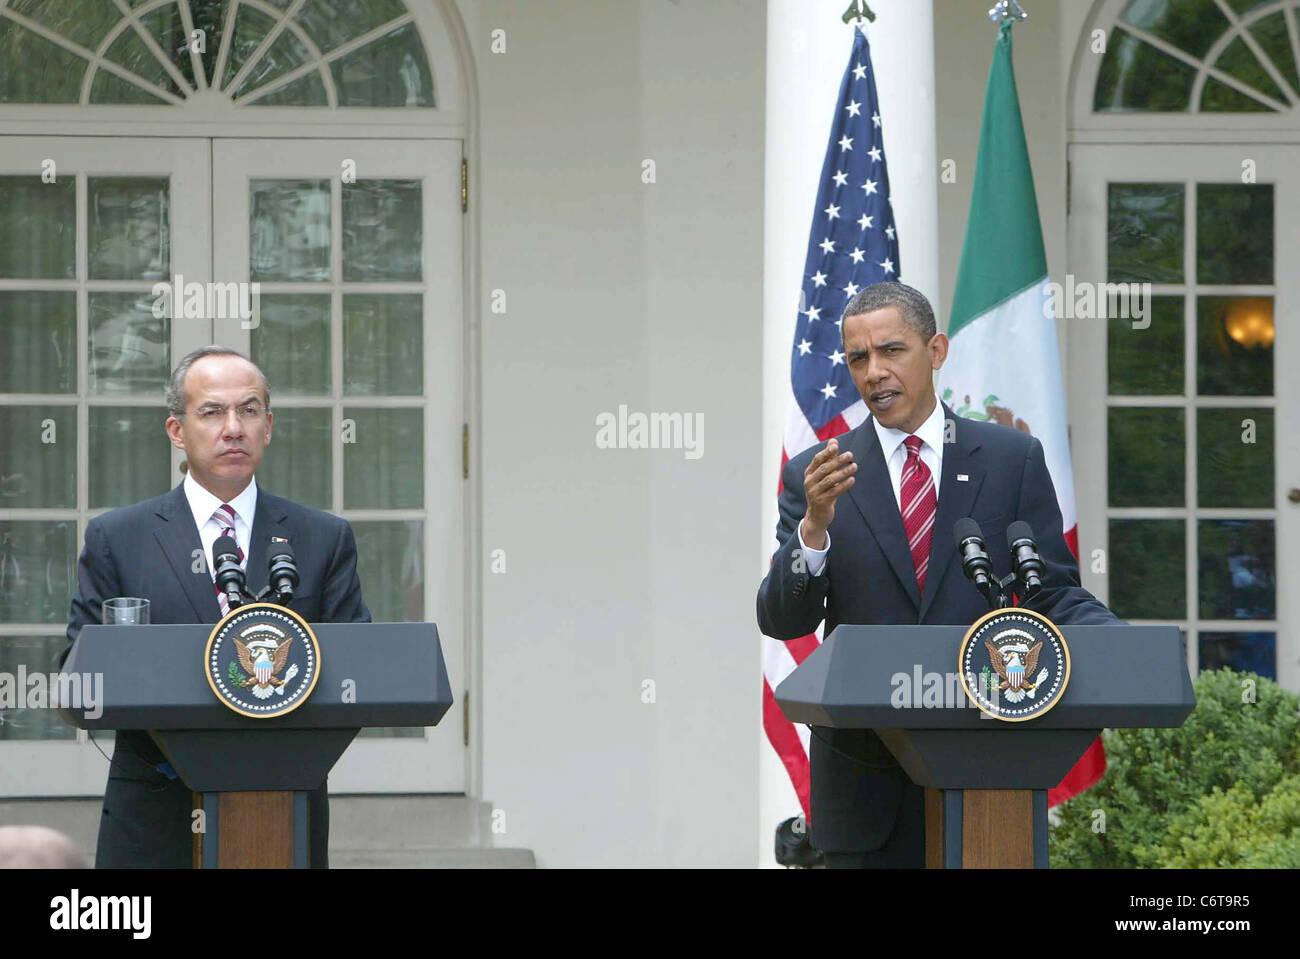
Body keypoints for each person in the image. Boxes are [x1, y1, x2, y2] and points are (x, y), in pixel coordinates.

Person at [757, 281, 1117, 869]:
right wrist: (813, 530)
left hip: (988, 777)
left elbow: (1050, 590)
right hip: (864, 792)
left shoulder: (1009, 459)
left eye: (891, 350)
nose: (873, 372)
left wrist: (1117, 643)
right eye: (857, 358)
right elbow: (782, 618)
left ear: (937, 351)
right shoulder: (818, 475)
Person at [64, 346, 371, 868]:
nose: (234, 428)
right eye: (212, 412)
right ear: (176, 431)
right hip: (154, 809)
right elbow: (77, 673)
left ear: (268, 427)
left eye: (249, 411)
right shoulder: (119, 537)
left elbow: (360, 670)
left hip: (281, 808)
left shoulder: (322, 537)